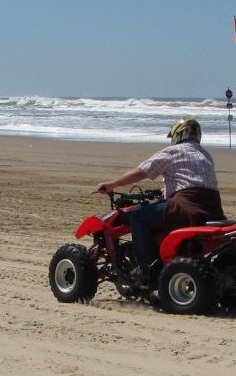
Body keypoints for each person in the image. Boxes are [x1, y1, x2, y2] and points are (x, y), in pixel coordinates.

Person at [95, 116, 225, 277]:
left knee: (138, 217)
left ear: (179, 134)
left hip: (184, 207)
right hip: (213, 209)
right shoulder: (205, 154)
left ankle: (146, 268)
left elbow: (142, 172)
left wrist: (112, 184)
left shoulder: (172, 152)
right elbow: (187, 180)